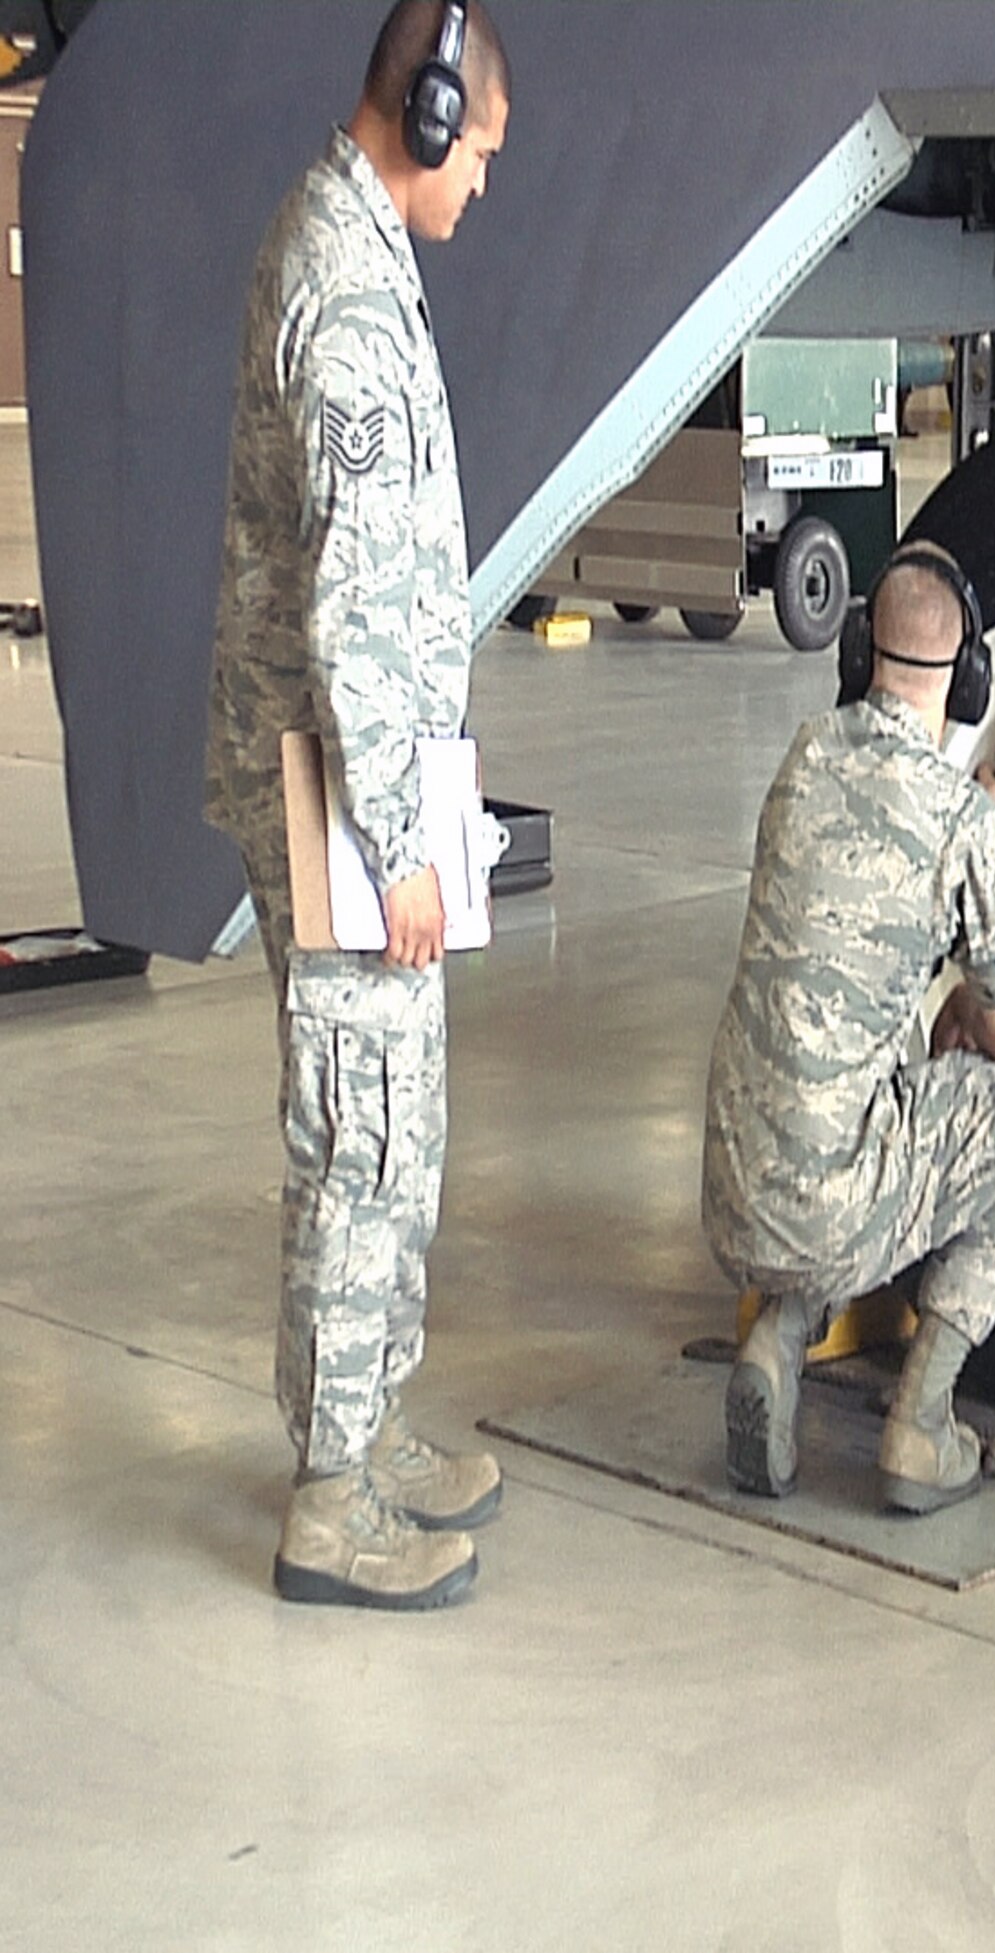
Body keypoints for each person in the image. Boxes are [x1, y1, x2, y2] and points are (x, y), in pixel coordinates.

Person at [205, 0, 511, 1609]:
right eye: (484, 161)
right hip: (342, 782)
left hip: (366, 770)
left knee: (401, 1123)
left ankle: (370, 1417)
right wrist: (397, 843)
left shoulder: (359, 251)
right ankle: (330, 1496)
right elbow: (349, 599)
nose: (484, 195)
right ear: (435, 116)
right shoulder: (343, 292)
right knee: (357, 1134)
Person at [703, 543, 995, 1515]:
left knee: (835, 1082)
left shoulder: (802, 756)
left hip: (731, 1186)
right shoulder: (960, 822)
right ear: (970, 676)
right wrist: (986, 859)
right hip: (829, 1203)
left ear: (859, 648)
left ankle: (774, 1346)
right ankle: (920, 1424)